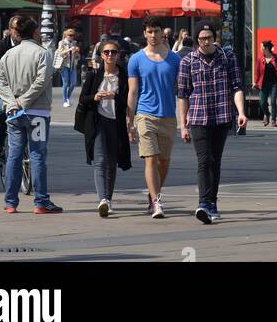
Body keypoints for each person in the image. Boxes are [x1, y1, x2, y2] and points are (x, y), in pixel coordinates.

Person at [176, 20, 246, 224]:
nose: (206, 42)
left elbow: (236, 86)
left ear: (215, 38)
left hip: (223, 116)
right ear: (196, 39)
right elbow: (182, 94)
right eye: (202, 39)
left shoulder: (227, 56)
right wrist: (183, 124)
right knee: (204, 160)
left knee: (215, 161)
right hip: (198, 117)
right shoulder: (187, 61)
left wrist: (241, 112)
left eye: (209, 38)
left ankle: (212, 202)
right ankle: (203, 203)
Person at [0, 15, 63, 214]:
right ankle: (41, 201)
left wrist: (11, 102)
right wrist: (24, 101)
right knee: (37, 155)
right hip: (38, 112)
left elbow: (0, 82)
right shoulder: (43, 53)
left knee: (14, 155)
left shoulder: (9, 54)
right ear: (34, 32)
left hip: (14, 114)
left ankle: (10, 202)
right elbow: (42, 82)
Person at [126, 17, 181, 218]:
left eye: (156, 31)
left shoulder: (175, 59)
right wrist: (129, 121)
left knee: (164, 161)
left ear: (162, 33)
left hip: (168, 115)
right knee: (151, 158)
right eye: (149, 31)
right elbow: (132, 91)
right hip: (145, 114)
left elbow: (183, 89)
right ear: (144, 33)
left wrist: (186, 118)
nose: (153, 35)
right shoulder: (136, 59)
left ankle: (153, 194)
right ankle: (157, 201)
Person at [74, 38, 131, 216]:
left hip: (117, 123)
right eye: (106, 52)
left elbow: (129, 101)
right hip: (97, 122)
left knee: (112, 163)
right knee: (100, 161)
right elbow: (83, 98)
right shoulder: (93, 75)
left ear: (119, 55)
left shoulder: (125, 76)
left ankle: (109, 198)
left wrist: (114, 96)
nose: (110, 55)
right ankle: (103, 200)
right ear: (101, 55)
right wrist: (95, 97)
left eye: (113, 52)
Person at [0, 17, 22, 157]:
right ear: (10, 30)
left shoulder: (27, 45)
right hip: (3, 86)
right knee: (2, 110)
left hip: (21, 86)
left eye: (21, 28)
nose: (19, 32)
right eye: (16, 29)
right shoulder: (2, 46)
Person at [255, 39, 277, 127]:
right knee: (262, 102)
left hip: (274, 83)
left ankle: (273, 120)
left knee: (273, 101)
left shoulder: (276, 58)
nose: (260, 48)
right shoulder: (260, 59)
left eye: (261, 47)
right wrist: (255, 82)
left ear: (266, 48)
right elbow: (257, 72)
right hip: (263, 83)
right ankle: (267, 114)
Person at [54, 28, 81, 108]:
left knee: (73, 83)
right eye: (70, 35)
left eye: (73, 35)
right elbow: (60, 53)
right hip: (64, 65)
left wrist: (76, 52)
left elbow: (77, 57)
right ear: (66, 35)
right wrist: (69, 49)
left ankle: (68, 97)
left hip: (72, 65)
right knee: (65, 83)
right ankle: (65, 100)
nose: (72, 37)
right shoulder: (61, 42)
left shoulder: (74, 43)